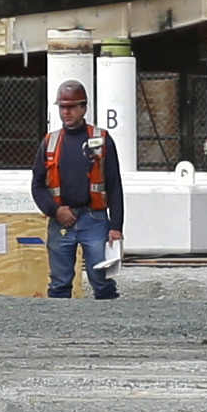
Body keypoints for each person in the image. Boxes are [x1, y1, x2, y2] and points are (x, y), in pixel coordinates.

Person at [32, 79, 125, 299]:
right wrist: (56, 212)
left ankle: (109, 325)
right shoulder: (50, 142)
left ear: (84, 108)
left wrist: (116, 226)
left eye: (72, 107)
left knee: (101, 281)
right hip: (61, 221)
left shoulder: (101, 140)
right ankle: (59, 329)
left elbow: (114, 184)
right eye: (63, 107)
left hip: (95, 219)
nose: (66, 112)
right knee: (59, 283)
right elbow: (37, 185)